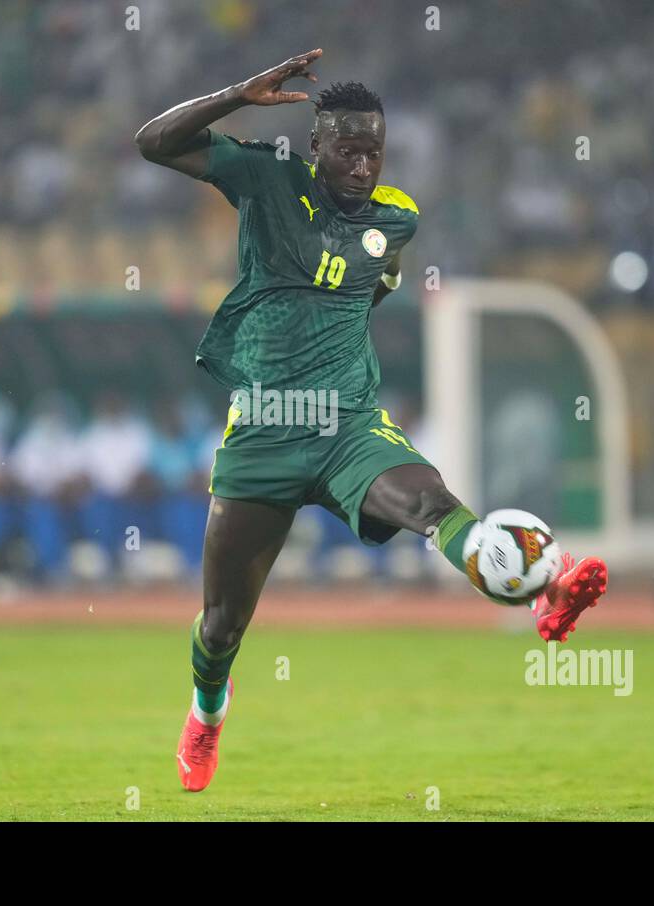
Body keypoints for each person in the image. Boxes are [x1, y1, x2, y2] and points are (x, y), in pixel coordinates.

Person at [135, 49, 608, 792]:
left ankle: (545, 583)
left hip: (349, 426)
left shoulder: (398, 217)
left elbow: (375, 284)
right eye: (348, 150)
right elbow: (152, 144)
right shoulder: (267, 178)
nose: (362, 166)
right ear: (316, 146)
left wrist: (334, 345)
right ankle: (207, 715)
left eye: (374, 153)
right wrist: (236, 95)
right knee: (222, 624)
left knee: (432, 505)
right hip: (264, 427)